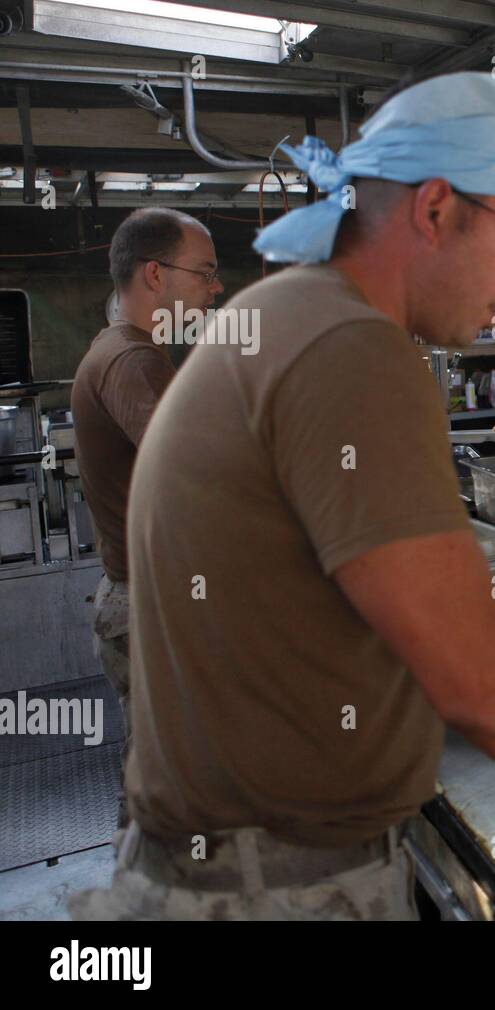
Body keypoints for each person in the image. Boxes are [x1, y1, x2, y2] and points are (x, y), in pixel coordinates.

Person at [69, 72, 495, 922]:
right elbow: (474, 678)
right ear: (435, 208)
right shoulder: (350, 351)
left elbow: (379, 632)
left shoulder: (300, 319)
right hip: (275, 883)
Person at [70, 207, 222, 825]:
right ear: (155, 275)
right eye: (205, 274)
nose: (216, 289)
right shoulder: (134, 359)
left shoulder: (122, 349)